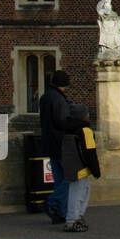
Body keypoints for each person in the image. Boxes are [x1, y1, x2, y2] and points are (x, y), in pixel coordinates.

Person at [38, 69, 75, 225]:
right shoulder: (59, 100)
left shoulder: (45, 97)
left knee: (59, 179)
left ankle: (59, 213)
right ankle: (52, 202)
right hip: (60, 143)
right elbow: (61, 122)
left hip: (48, 142)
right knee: (70, 179)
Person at [60, 102, 98, 232]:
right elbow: (90, 152)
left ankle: (75, 218)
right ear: (83, 116)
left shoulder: (67, 129)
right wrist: (96, 170)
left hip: (71, 165)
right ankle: (73, 220)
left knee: (78, 191)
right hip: (81, 167)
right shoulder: (85, 131)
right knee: (79, 194)